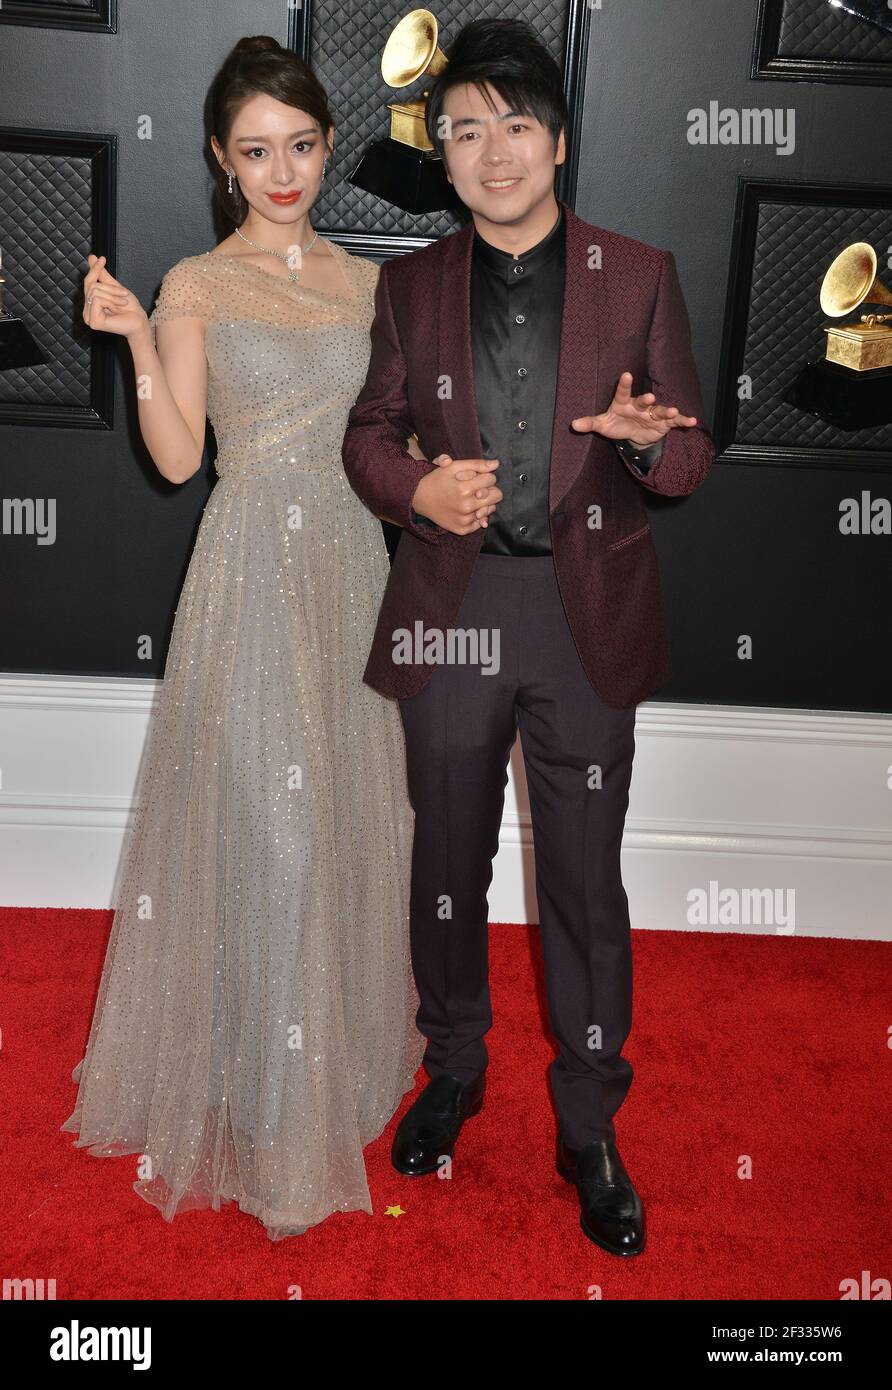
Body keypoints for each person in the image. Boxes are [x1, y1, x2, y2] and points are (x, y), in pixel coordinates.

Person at [342, 17, 715, 1257]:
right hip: (456, 609)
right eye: (462, 130)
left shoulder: (640, 271)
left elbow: (691, 455)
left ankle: (590, 1123)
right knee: (445, 858)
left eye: (513, 125)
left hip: (582, 614)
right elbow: (368, 433)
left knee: (584, 879)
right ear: (438, 154)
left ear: (555, 141)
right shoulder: (409, 284)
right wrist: (413, 491)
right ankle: (453, 1068)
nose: (489, 152)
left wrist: (645, 440)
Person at [61, 34, 423, 1241]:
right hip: (249, 573)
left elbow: (391, 453)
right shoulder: (195, 284)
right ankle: (266, 1094)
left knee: (347, 817)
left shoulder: (375, 289)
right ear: (221, 159)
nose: (283, 171)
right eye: (256, 151)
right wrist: (126, 337)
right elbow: (174, 461)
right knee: (276, 831)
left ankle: (319, 1066)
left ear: (328, 146)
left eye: (303, 146)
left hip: (347, 569)